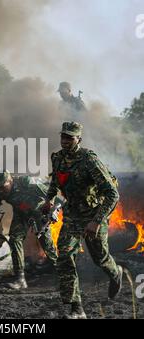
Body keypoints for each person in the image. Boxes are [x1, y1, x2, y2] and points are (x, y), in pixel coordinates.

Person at [43, 122, 123, 319]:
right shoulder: (58, 158)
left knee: (100, 258)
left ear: (79, 139)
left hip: (94, 214)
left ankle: (116, 274)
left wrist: (96, 221)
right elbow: (55, 182)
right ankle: (76, 308)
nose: (65, 140)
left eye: (70, 137)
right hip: (72, 216)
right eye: (63, 136)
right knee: (65, 255)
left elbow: (112, 194)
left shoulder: (89, 160)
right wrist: (49, 198)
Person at [0, 171, 58, 290]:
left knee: (46, 243)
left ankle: (61, 275)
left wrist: (51, 207)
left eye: (3, 186)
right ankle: (20, 279)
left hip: (39, 211)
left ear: (10, 181)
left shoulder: (26, 182)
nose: (1, 190)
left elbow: (50, 191)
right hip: (21, 213)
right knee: (15, 239)